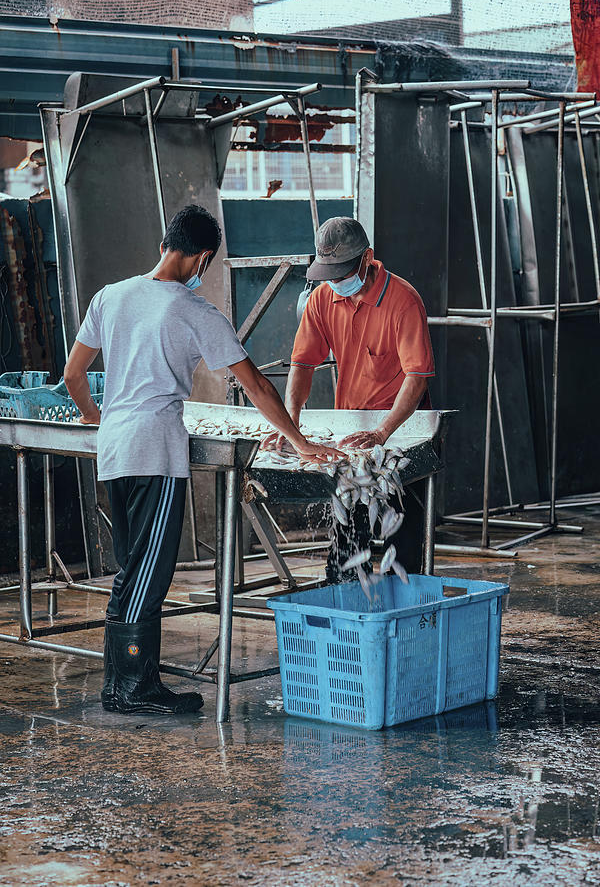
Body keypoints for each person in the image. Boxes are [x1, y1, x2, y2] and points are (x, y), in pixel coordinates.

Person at [64, 204, 341, 716]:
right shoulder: (194, 312)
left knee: (131, 568)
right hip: (156, 450)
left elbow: (74, 376)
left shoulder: (111, 296)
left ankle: (119, 685)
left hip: (116, 448)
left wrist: (98, 418)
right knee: (148, 573)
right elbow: (255, 384)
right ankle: (132, 689)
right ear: (203, 258)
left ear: (166, 243)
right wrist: (300, 442)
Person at [265, 216, 435, 581]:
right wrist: (290, 423)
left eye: (341, 273)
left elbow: (417, 379)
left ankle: (400, 615)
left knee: (401, 548)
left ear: (367, 258)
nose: (335, 283)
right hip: (352, 430)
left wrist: (383, 432)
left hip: (401, 429)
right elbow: (302, 365)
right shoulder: (323, 299)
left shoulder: (403, 301)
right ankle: (346, 608)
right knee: (347, 543)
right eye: (328, 274)